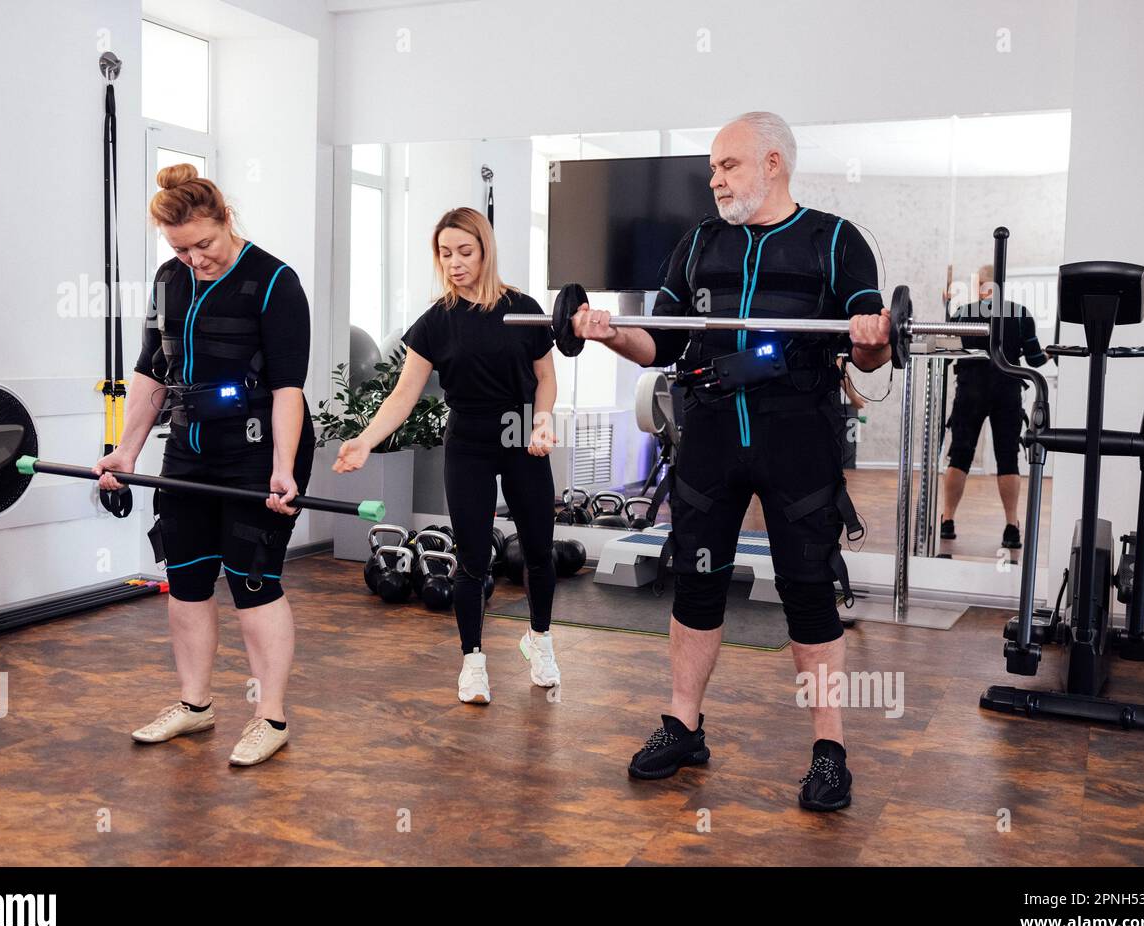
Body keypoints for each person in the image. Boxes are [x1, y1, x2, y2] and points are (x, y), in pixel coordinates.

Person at [572, 112, 891, 811]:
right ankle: (683, 725)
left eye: (729, 165)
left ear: (772, 162)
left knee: (808, 592)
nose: (714, 179)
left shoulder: (834, 241)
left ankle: (829, 751)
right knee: (695, 583)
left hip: (798, 437)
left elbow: (870, 348)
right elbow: (659, 343)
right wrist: (606, 334)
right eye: (713, 168)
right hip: (711, 436)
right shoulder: (698, 244)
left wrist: (871, 337)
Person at [95, 163, 313, 767]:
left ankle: (270, 717)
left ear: (226, 220)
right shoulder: (169, 280)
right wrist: (126, 449)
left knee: (251, 581)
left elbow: (289, 388)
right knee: (187, 579)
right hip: (190, 447)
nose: (196, 259)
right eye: (181, 249)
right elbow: (149, 372)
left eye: (204, 244)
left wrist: (284, 467)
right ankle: (195, 707)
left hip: (259, 448)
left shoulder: (275, 282)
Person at [332, 207, 560, 704]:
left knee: (540, 549)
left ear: (485, 251)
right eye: (445, 254)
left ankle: (539, 639)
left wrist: (542, 421)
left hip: (520, 428)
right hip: (469, 439)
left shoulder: (523, 309)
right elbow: (402, 395)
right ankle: (473, 661)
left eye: (465, 252)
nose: (454, 263)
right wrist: (366, 440)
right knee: (473, 557)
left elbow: (545, 377)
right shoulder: (436, 321)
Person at [941, 264, 1049, 549]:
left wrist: (947, 308)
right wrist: (1051, 353)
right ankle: (1011, 527)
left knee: (960, 456)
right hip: (1007, 390)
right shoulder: (1021, 314)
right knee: (1008, 458)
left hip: (970, 390)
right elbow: (1036, 360)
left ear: (979, 287)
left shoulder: (964, 313)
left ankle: (948, 521)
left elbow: (947, 348)